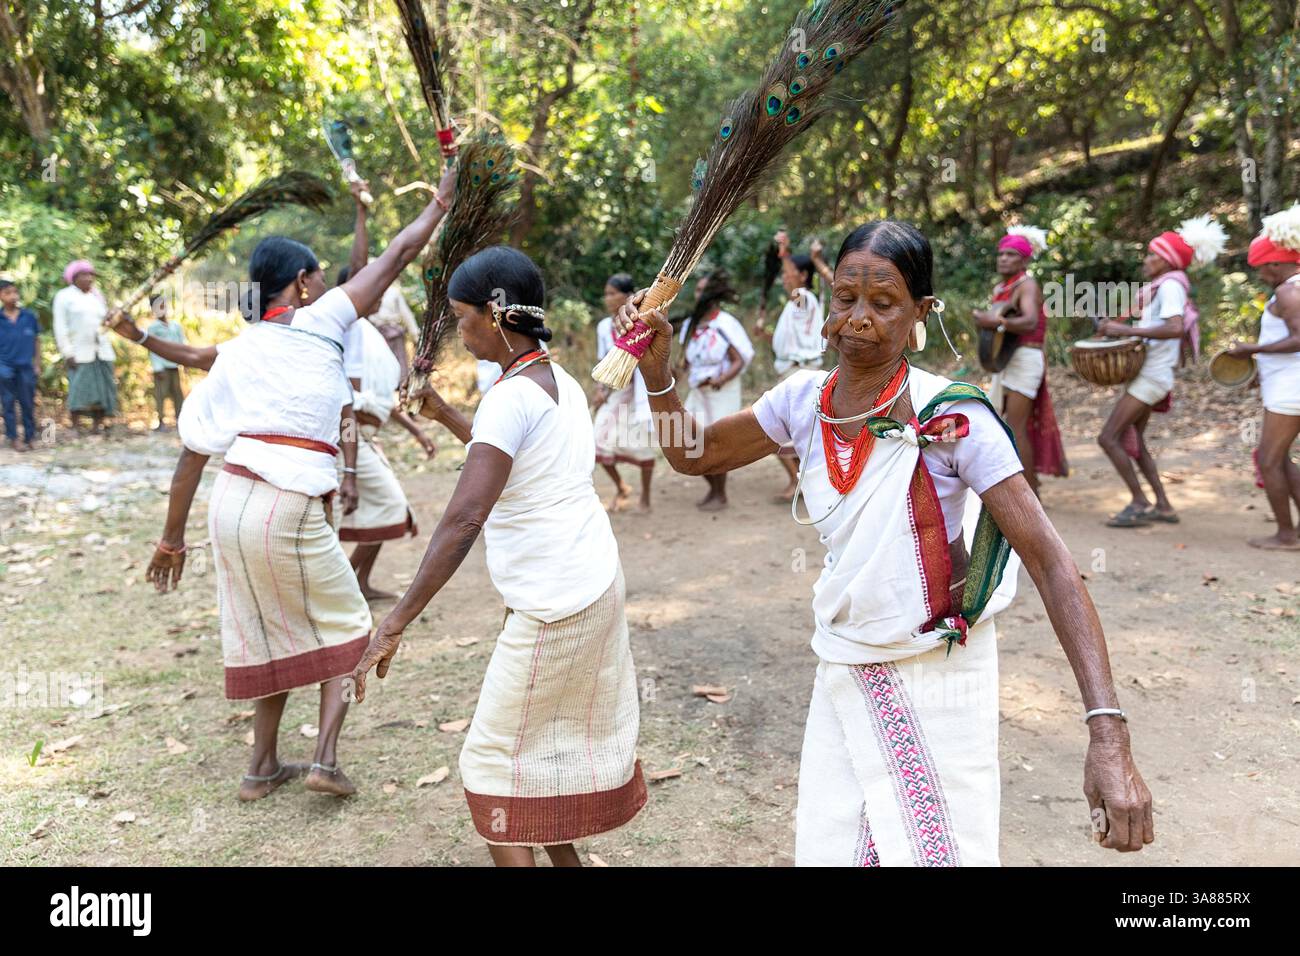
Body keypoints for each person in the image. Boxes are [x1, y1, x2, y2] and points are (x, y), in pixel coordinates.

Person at [614, 220, 1152, 866]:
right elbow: (692, 455)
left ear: (920, 311)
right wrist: (656, 370)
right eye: (845, 298)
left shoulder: (952, 418)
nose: (857, 319)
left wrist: (1107, 732)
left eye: (883, 302)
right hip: (847, 663)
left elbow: (1052, 562)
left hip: (939, 675)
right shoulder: (801, 400)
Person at [140, 165, 457, 803]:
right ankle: (325, 761)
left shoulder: (237, 349)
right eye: (316, 274)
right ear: (303, 283)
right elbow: (398, 254)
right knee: (349, 631)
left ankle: (260, 769)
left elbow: (192, 456)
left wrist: (171, 541)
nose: (324, 281)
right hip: (285, 506)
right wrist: (442, 201)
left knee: (268, 631)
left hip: (229, 504)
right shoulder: (321, 321)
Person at [350, 245, 646, 867]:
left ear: (496, 311)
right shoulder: (556, 381)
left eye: (464, 318)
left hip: (558, 599)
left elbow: (463, 519)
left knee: (493, 766)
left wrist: (396, 620)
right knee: (536, 755)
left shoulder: (511, 396)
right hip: (588, 579)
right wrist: (445, 414)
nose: (460, 332)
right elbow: (516, 459)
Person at [1096, 217, 1223, 528]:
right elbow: (1155, 330)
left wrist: (1120, 328)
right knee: (1135, 440)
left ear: (1168, 260)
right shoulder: (1164, 286)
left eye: (1154, 254)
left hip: (1152, 377)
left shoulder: (1170, 286)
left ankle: (1140, 501)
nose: (1147, 259)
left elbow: (1174, 328)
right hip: (1150, 374)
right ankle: (1163, 505)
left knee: (1108, 437)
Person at [971, 228, 1067, 494]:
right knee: (994, 422)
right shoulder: (1001, 287)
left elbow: (1029, 321)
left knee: (1016, 426)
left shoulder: (1027, 285)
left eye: (1011, 254)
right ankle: (1014, 486)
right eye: (1001, 253)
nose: (1003, 258)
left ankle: (1029, 495)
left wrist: (997, 321)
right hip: (1007, 360)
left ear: (1024, 261)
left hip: (1026, 358)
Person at [1226, 208, 1300, 550]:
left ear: (1274, 264)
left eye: (1262, 269)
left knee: (1268, 459)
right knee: (1281, 458)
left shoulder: (1288, 292)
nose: (1261, 276)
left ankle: (1286, 535)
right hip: (1285, 385)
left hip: (1290, 390)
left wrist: (1251, 349)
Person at [677, 269, 754, 511]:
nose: (698, 294)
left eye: (702, 290)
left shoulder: (724, 324)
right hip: (698, 393)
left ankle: (719, 493)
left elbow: (738, 360)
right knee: (687, 441)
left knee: (715, 443)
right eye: (697, 289)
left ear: (713, 295)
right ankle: (713, 488)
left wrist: (720, 379)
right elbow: (686, 364)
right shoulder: (691, 324)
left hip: (721, 392)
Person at [760, 231, 825, 502]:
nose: (785, 278)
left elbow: (795, 289)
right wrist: (764, 335)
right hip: (791, 371)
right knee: (790, 432)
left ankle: (801, 484)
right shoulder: (795, 307)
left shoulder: (804, 299)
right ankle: (802, 483)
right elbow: (786, 343)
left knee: (783, 432)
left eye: (790, 273)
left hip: (801, 373)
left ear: (801, 277)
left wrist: (784, 253)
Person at [593, 273, 655, 511]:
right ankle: (621, 487)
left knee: (640, 444)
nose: (607, 298)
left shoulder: (640, 322)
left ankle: (646, 497)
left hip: (638, 394)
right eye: (606, 293)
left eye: (612, 293)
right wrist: (600, 390)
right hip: (614, 393)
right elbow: (602, 359)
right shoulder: (603, 327)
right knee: (597, 441)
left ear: (628, 296)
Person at [52, 260, 117, 434]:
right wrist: (67, 352)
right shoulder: (64, 296)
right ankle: (76, 425)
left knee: (102, 388)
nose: (88, 279)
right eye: (84, 275)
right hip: (79, 351)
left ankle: (98, 425)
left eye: (91, 275)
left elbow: (105, 322)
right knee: (79, 388)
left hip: (101, 350)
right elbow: (60, 326)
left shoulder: (96, 296)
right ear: (74, 278)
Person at [0, 279, 40, 451]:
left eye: (15, 292)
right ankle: (13, 438)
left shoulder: (29, 316)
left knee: (27, 403)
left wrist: (37, 363)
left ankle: (30, 437)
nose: (13, 296)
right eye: (7, 292)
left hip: (26, 366)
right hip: (4, 367)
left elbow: (37, 340)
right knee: (8, 403)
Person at [145, 293, 187, 431]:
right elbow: (152, 349)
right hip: (162, 367)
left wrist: (185, 362)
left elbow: (182, 346)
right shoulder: (153, 328)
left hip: (174, 365)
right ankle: (161, 421)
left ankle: (180, 420)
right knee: (160, 394)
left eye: (163, 305)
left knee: (178, 394)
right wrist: (157, 368)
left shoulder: (175, 326)